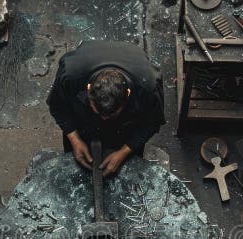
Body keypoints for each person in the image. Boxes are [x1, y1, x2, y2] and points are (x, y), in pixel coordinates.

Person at [47, 41, 166, 176]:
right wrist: (75, 140)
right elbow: (58, 106)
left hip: (126, 128)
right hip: (83, 124)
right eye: (98, 112)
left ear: (127, 93)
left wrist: (124, 152)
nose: (104, 119)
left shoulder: (148, 88)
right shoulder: (70, 76)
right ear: (88, 88)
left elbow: (152, 123)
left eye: (111, 114)